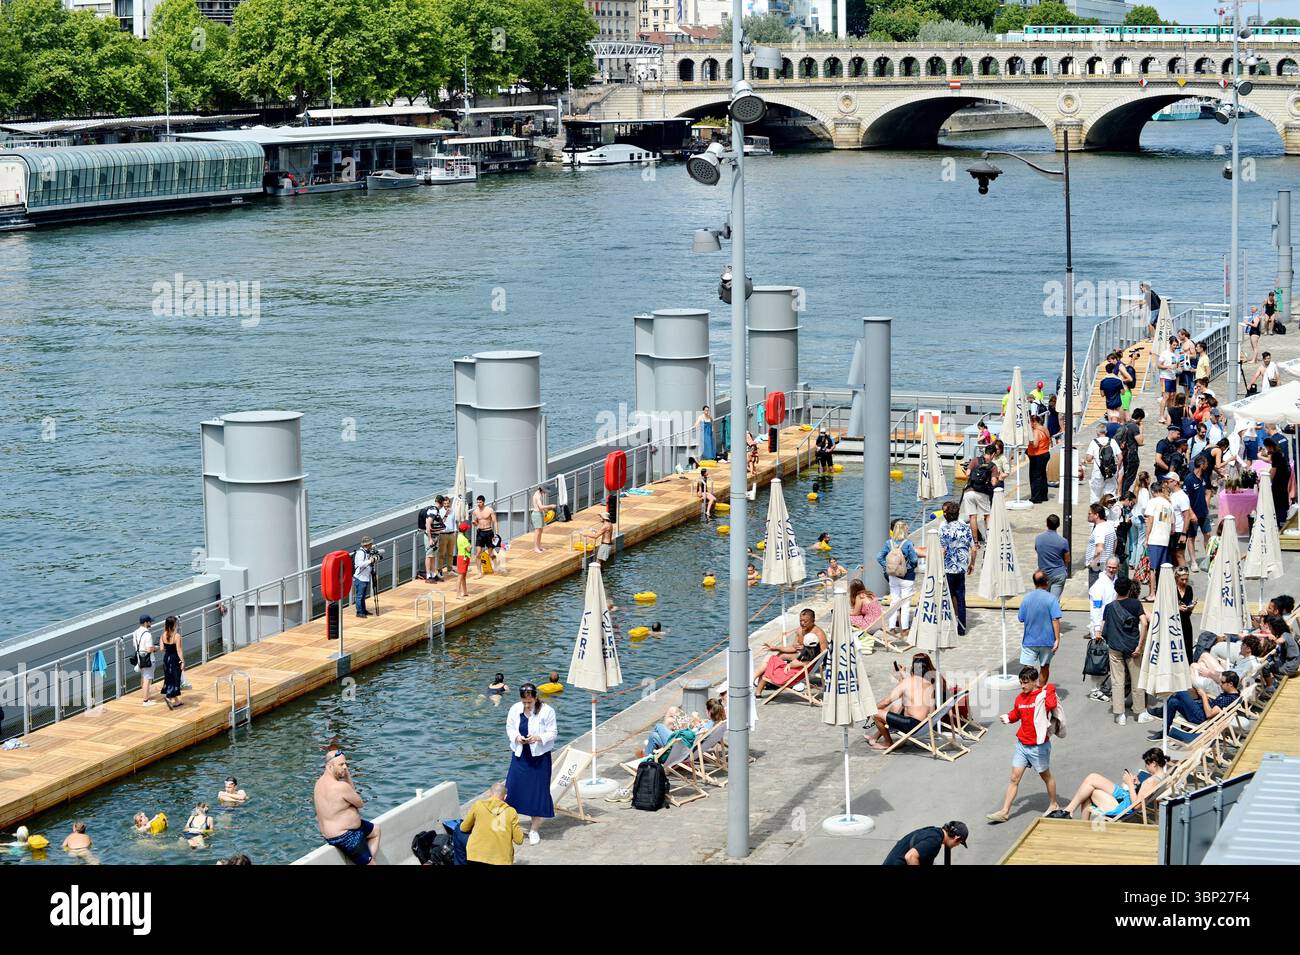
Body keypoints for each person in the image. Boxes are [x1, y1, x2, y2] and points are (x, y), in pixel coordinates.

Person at [987, 666, 1060, 823]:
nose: (1022, 686)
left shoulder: (1041, 697)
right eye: (1021, 682)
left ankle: (1054, 804)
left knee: (1046, 777)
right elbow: (1016, 714)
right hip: (1022, 745)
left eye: (1025, 683)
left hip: (1038, 747)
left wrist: (1050, 688)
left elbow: (1052, 705)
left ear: (1035, 681)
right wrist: (1008, 717)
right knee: (1014, 778)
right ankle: (1005, 812)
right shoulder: (1020, 698)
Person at [1050, 748, 1170, 821]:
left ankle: (1070, 814)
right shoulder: (1162, 777)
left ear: (1154, 763)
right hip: (1125, 797)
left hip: (1124, 806)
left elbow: (1137, 806)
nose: (1146, 767)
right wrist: (1137, 785)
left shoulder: (1150, 781)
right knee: (1092, 777)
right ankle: (1068, 812)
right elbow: (1143, 795)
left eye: (1147, 764)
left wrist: (1129, 784)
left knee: (1090, 792)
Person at [505, 683, 557, 844]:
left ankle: (534, 830)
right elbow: (510, 727)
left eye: (530, 702)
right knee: (512, 788)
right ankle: (510, 825)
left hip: (539, 757)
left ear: (535, 698)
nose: (527, 705)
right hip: (520, 755)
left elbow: (553, 732)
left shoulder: (547, 711)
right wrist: (517, 737)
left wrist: (538, 738)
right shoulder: (515, 709)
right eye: (524, 702)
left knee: (538, 793)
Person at [1101, 576, 1153, 723]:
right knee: (1137, 680)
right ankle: (1140, 713)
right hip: (1133, 648)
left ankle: (1120, 715)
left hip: (1115, 647)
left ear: (1115, 589)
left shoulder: (1110, 607)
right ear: (1129, 589)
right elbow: (1144, 623)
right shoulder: (1136, 604)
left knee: (1118, 681)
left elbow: (1103, 627)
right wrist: (1139, 645)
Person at [314, 750, 380, 865]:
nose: (345, 767)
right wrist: (348, 777)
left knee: (376, 830)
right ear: (330, 767)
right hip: (345, 836)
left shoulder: (318, 783)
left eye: (346, 764)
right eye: (341, 765)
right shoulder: (340, 787)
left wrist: (344, 772)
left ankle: (368, 860)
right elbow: (360, 803)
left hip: (331, 834)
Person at [865, 653, 936, 750]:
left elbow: (886, 702)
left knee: (877, 713)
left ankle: (888, 743)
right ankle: (876, 736)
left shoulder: (907, 682)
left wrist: (870, 710)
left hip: (912, 726)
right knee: (899, 705)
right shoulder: (929, 684)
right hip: (926, 726)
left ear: (912, 668)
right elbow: (931, 710)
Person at [1150, 671, 1240, 744]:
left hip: (1201, 718)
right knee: (1174, 702)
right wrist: (1205, 699)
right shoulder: (1232, 694)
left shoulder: (1229, 699)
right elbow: (1215, 707)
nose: (1220, 684)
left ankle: (1161, 713)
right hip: (1203, 710)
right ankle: (1164, 730)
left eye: (1223, 682)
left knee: (1181, 691)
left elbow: (1209, 714)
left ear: (1230, 684)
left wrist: (1204, 697)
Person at [753, 609, 827, 697]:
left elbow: (823, 653)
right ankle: (763, 680)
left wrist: (805, 649)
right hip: (800, 658)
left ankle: (759, 680)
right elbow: (793, 648)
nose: (802, 623)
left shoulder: (819, 633)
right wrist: (776, 648)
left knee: (771, 660)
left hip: (809, 663)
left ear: (813, 621)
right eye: (801, 621)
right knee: (778, 656)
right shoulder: (800, 630)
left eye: (805, 621)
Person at [876, 520, 923, 643]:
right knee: (905, 604)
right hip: (906, 577)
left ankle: (892, 628)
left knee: (894, 601)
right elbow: (913, 559)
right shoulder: (908, 543)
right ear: (904, 530)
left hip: (892, 576)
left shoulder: (888, 543)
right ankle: (905, 629)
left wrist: (886, 566)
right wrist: (910, 568)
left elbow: (879, 557)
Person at [460, 782, 525, 866]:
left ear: (489, 793)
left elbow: (463, 828)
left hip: (476, 857)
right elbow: (519, 840)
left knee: (458, 831)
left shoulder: (478, 805)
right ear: (505, 797)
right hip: (501, 861)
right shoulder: (511, 812)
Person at [1018, 571, 1062, 686]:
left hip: (1029, 640)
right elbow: (1055, 619)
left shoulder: (1026, 598)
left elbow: (1021, 618)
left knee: (1027, 669)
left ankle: (1028, 693)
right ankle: (1040, 690)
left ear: (1034, 583)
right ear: (1047, 583)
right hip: (1047, 640)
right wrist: (1057, 639)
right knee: (1045, 666)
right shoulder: (1052, 599)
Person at [1086, 558, 1120, 702]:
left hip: (1111, 626)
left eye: (1114, 567)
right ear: (1105, 567)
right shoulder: (1099, 585)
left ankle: (1101, 686)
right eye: (1109, 567)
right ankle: (1095, 689)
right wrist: (1097, 629)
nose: (1111, 570)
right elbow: (1096, 609)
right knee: (1097, 659)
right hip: (1100, 626)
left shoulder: (1114, 581)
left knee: (1106, 659)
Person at [938, 501, 973, 636]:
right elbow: (974, 549)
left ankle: (949, 624)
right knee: (960, 597)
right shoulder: (965, 528)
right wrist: (972, 564)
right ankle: (962, 628)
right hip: (961, 568)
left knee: (947, 596)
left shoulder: (944, 530)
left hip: (948, 568)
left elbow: (942, 550)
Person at [882, 821, 969, 865]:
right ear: (956, 838)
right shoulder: (934, 840)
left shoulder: (933, 831)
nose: (956, 845)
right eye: (959, 843)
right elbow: (910, 856)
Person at [1142, 481, 1174, 599]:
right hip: (1165, 538)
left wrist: (1146, 538)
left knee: (1152, 568)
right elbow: (1172, 525)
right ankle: (1161, 592)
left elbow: (1150, 520)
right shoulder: (1168, 503)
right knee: (1162, 567)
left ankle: (1152, 593)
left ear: (1153, 492)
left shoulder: (1153, 502)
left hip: (1154, 538)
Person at [1083, 421, 1121, 504]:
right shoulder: (1112, 441)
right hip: (1111, 471)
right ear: (1106, 431)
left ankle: (1096, 511)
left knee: (1095, 494)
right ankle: (1109, 512)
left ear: (1097, 432)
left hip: (1098, 472)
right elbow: (1120, 457)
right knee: (1110, 493)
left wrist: (1095, 459)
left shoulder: (1094, 442)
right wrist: (1117, 469)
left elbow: (1088, 458)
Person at [1034, 514, 1070, 600]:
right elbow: (1067, 559)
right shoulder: (1063, 541)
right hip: (1058, 574)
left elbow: (1037, 549)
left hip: (1043, 575)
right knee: (1053, 601)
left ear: (1047, 524)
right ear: (1058, 525)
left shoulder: (1038, 538)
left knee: (1043, 601)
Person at [1084, 503, 1116, 589]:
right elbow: (1115, 542)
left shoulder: (1099, 529)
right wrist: (1111, 557)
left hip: (1098, 568)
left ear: (1096, 515)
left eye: (1090, 513)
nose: (1088, 515)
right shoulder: (1109, 525)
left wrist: (1093, 565)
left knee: (1094, 594)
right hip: (1107, 566)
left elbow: (1099, 549)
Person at [1116, 408, 1145, 497]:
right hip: (1131, 455)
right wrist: (1141, 429)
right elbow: (1140, 441)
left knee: (1125, 475)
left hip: (1125, 454)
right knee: (1130, 477)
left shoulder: (1125, 424)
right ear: (1139, 418)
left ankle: (1123, 493)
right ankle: (1124, 496)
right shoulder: (1134, 426)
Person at [158, 614, 184, 710]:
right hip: (174, 658)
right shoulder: (177, 636)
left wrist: (168, 650)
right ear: (173, 625)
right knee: (175, 678)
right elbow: (179, 650)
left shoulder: (163, 635)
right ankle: (169, 696)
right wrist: (182, 661)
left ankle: (177, 701)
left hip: (166, 658)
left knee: (169, 677)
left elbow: (161, 649)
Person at [132, 614, 157, 707]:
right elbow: (149, 649)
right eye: (150, 621)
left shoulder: (135, 633)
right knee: (147, 679)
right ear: (146, 622)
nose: (151, 623)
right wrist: (156, 648)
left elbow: (135, 646)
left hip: (139, 658)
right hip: (148, 659)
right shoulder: (147, 634)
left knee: (143, 677)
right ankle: (145, 700)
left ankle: (145, 696)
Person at [1027, 414, 1051, 503]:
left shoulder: (1036, 431)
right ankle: (1044, 495)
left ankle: (1036, 497)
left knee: (1035, 476)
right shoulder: (1044, 429)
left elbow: (1035, 444)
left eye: (1030, 422)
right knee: (1042, 475)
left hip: (1037, 455)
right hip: (1045, 453)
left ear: (1034, 422)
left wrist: (1028, 442)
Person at [471, 496, 498, 577]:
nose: (478, 504)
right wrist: (475, 523)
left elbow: (495, 522)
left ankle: (495, 567)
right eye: (477, 502)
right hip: (480, 532)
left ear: (483, 502)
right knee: (478, 553)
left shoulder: (489, 510)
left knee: (490, 553)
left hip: (489, 532)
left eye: (480, 502)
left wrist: (496, 534)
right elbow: (476, 522)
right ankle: (479, 572)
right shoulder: (475, 511)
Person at [1269, 440, 1292, 529]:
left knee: (1277, 502)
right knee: (1283, 501)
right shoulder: (1280, 453)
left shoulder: (1275, 455)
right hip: (1283, 481)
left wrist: (1269, 480)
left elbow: (1274, 470)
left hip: (1278, 481)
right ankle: (1282, 522)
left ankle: (1279, 524)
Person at [352, 536, 377, 617]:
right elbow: (361, 564)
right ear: (367, 545)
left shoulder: (367, 552)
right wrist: (370, 560)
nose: (371, 545)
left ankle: (363, 610)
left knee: (363, 596)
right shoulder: (360, 553)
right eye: (370, 544)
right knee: (360, 596)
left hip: (365, 577)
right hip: (360, 578)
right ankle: (359, 612)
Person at [455, 521, 471, 599]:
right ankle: (458, 594)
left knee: (463, 575)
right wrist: (470, 546)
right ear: (465, 530)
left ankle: (465, 592)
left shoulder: (459, 536)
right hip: (463, 558)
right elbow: (468, 549)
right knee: (460, 576)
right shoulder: (464, 539)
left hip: (461, 557)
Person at [530, 485, 547, 553]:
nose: (545, 493)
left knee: (540, 531)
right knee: (537, 531)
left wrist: (544, 511)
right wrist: (550, 506)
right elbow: (540, 506)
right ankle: (535, 547)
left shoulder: (539, 493)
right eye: (545, 491)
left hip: (539, 513)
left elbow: (540, 507)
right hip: (536, 514)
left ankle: (539, 546)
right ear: (542, 490)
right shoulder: (538, 496)